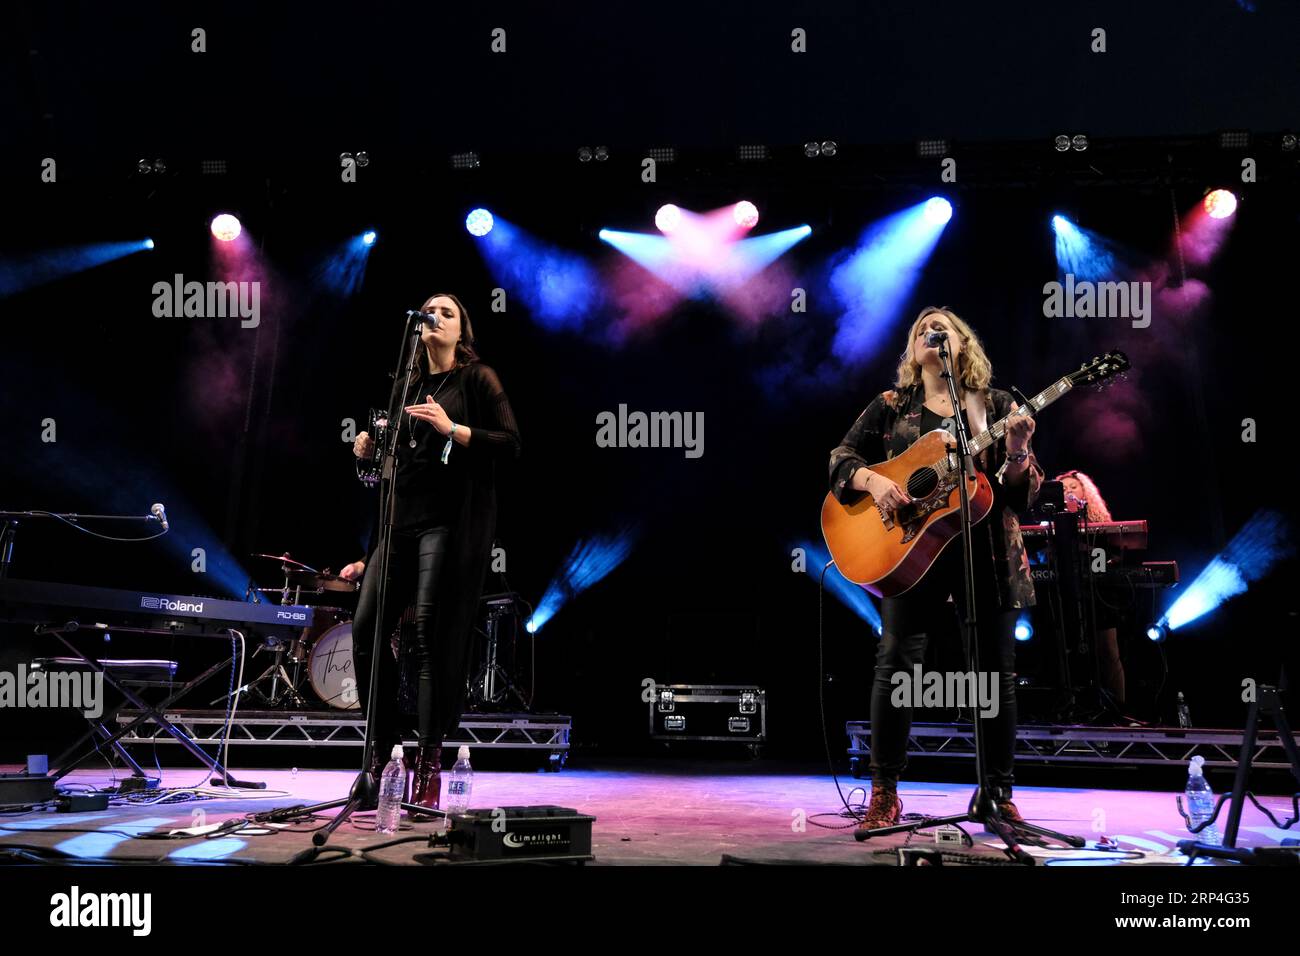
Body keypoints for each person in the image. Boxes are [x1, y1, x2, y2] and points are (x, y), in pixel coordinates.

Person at [828, 307, 1042, 831]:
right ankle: (883, 793)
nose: (934, 333)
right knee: (896, 663)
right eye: (925, 328)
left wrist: (1015, 454)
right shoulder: (891, 406)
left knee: (994, 673)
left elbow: (1020, 497)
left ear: (962, 345)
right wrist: (876, 484)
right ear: (912, 348)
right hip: (907, 553)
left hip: (986, 551)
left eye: (944, 327)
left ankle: (998, 792)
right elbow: (841, 458)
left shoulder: (994, 406)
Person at [345, 292, 520, 810]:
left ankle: (428, 759)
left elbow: (511, 443)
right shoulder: (407, 385)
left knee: (427, 633)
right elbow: (386, 471)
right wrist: (368, 452)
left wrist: (452, 428)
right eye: (428, 310)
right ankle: (378, 755)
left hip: (448, 524)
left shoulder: (477, 378)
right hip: (401, 524)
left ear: (461, 331)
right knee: (366, 628)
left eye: (446, 312)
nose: (434, 317)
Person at [1054, 469, 1126, 710]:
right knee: (1068, 650)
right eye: (1063, 488)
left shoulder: (1100, 523)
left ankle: (1118, 709)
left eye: (1073, 487)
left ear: (1085, 491)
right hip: (1067, 592)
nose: (1068, 491)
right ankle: (1073, 707)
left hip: (1099, 591)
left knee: (1108, 650)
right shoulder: (1051, 524)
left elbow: (1113, 556)